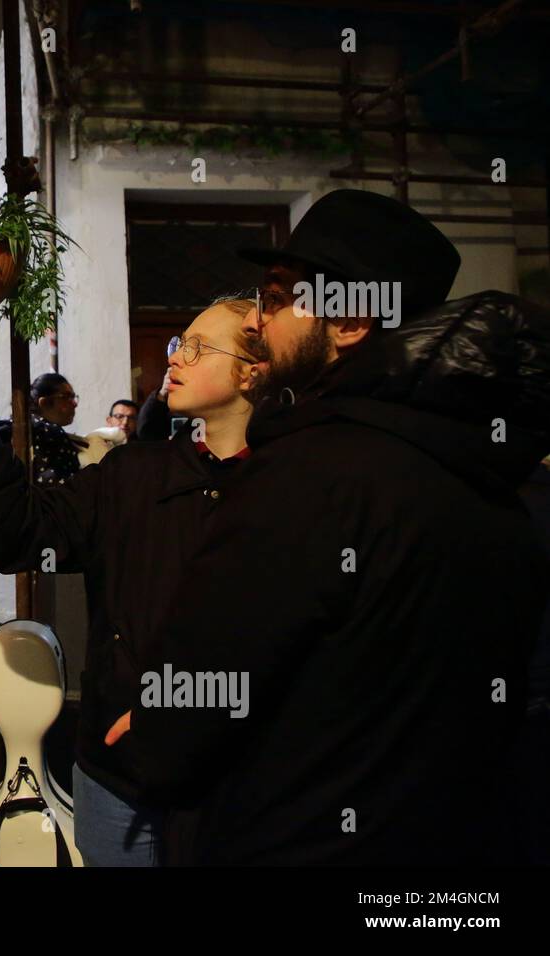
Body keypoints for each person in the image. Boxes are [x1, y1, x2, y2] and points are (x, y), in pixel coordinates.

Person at [120, 188, 550, 865]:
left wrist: (156, 735)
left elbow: (211, 674)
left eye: (279, 296)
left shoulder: (311, 470)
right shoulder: (495, 476)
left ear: (350, 321)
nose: (259, 322)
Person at [0, 297, 262, 866]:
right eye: (176, 343)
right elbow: (20, 534)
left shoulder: (293, 484)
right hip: (118, 774)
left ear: (253, 370)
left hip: (238, 779)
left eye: (198, 347)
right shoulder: (136, 473)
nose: (175, 358)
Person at [24, 372, 83, 486]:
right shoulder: (49, 432)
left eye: (73, 397)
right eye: (65, 397)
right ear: (44, 402)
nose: (74, 403)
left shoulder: (23, 426)